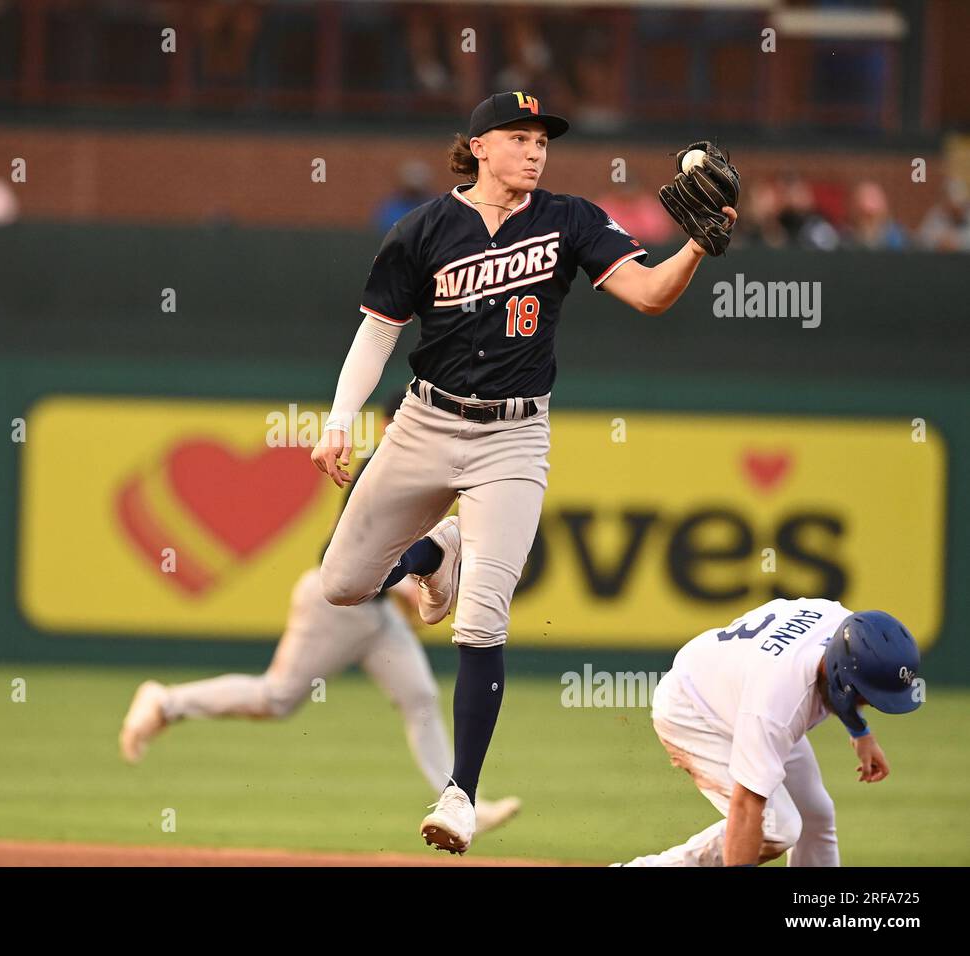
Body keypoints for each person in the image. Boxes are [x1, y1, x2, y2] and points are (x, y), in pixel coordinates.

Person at [310, 91, 737, 854]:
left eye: (542, 138)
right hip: (425, 421)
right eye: (518, 136)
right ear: (479, 147)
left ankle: (460, 795)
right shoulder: (423, 230)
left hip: (514, 437)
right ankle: (433, 552)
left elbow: (647, 295)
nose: (535, 149)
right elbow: (377, 333)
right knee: (339, 584)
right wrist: (339, 421)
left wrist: (696, 247)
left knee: (481, 617)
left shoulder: (569, 219)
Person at [118, 392, 523, 838]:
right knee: (275, 698)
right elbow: (338, 554)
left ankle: (461, 800)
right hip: (334, 608)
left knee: (420, 699)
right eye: (402, 423)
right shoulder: (380, 470)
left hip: (374, 612)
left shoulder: (421, 473)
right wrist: (411, 586)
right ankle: (165, 702)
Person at [618, 601, 921, 867]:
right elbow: (747, 805)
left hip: (737, 690)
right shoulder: (778, 703)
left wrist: (861, 731)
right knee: (778, 828)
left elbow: (840, 683)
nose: (870, 702)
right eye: (868, 694)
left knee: (816, 815)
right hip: (693, 708)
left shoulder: (844, 629)